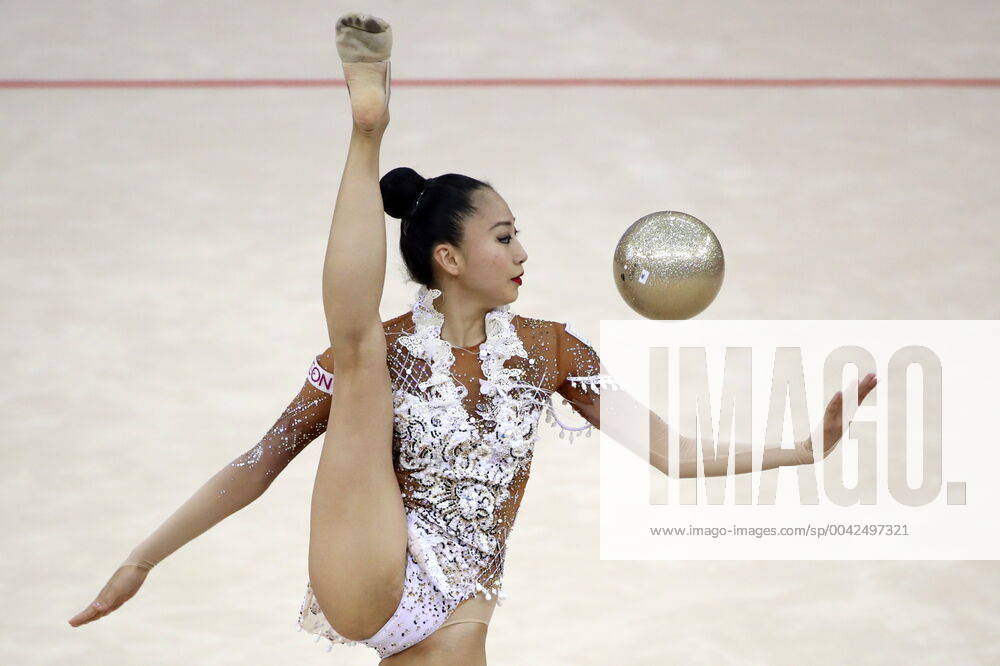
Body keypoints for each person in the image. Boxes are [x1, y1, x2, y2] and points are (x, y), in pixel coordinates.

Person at [68, 12, 877, 664]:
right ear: (448, 259)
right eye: (503, 236)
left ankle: (367, 127)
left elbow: (671, 452)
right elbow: (256, 464)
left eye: (519, 236)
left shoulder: (555, 351)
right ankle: (366, 129)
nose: (522, 252)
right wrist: (143, 557)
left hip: (455, 617)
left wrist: (803, 449)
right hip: (365, 567)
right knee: (360, 360)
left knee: (363, 363)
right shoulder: (376, 351)